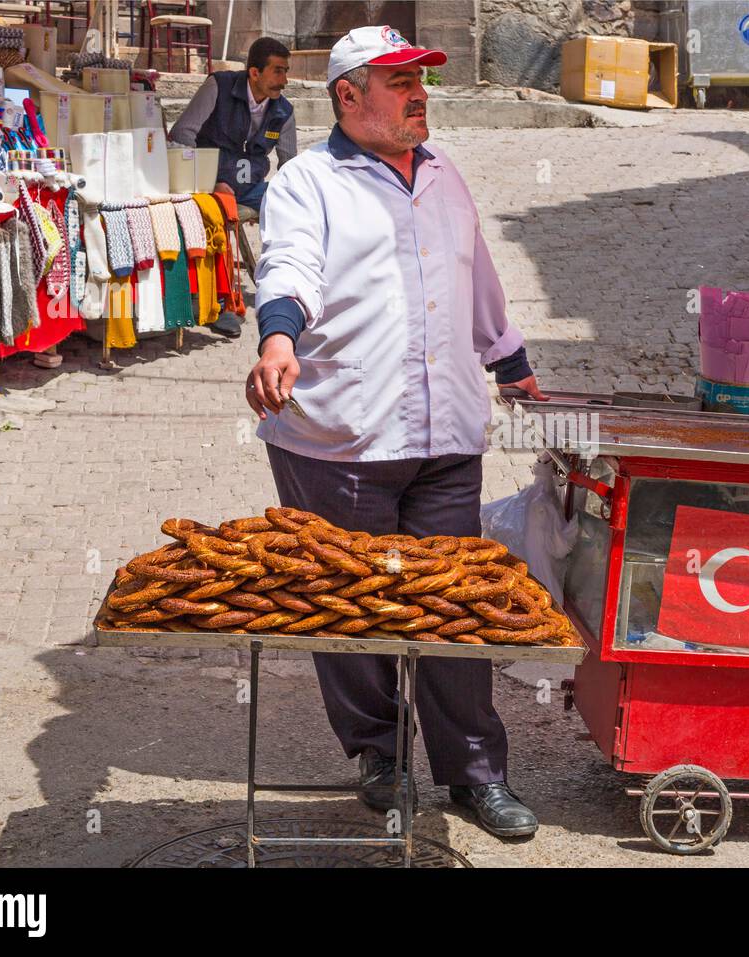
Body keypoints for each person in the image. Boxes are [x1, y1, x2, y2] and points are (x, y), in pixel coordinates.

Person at [245, 25, 548, 840]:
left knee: (453, 605)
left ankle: (475, 773)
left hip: (446, 434)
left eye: (424, 79)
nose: (421, 94)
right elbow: (289, 268)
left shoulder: (445, 175)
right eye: (401, 81)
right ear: (349, 96)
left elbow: (475, 271)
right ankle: (379, 756)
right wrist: (278, 337)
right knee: (351, 608)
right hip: (341, 437)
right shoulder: (307, 182)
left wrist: (509, 357)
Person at [169, 37, 296, 338]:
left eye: (285, 71)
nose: (285, 80)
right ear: (255, 73)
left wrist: (293, 196)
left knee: (297, 203)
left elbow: (291, 167)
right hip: (208, 184)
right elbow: (182, 134)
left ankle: (290, 284)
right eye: (278, 71)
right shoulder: (219, 86)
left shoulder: (284, 111)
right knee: (220, 213)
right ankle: (223, 303)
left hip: (251, 186)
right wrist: (208, 180)